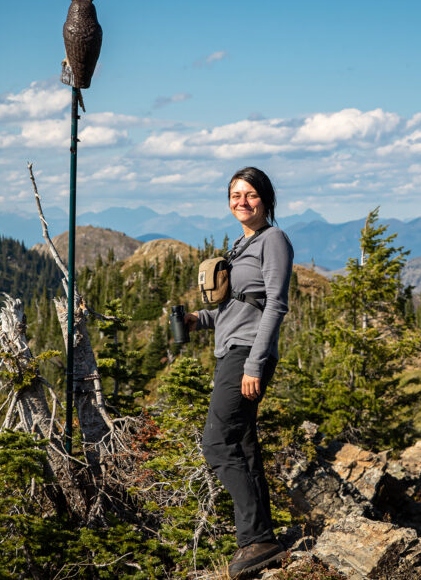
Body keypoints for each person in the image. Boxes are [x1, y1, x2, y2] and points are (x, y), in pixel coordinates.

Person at [185, 166, 293, 578]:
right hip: (232, 349)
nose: (241, 202)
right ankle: (263, 536)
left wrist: (254, 364)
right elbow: (240, 308)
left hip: (247, 355)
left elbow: (275, 306)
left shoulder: (273, 240)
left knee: (216, 443)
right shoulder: (239, 245)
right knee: (244, 444)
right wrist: (201, 318)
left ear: (265, 199)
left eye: (249, 195)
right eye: (235, 195)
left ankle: (254, 540)